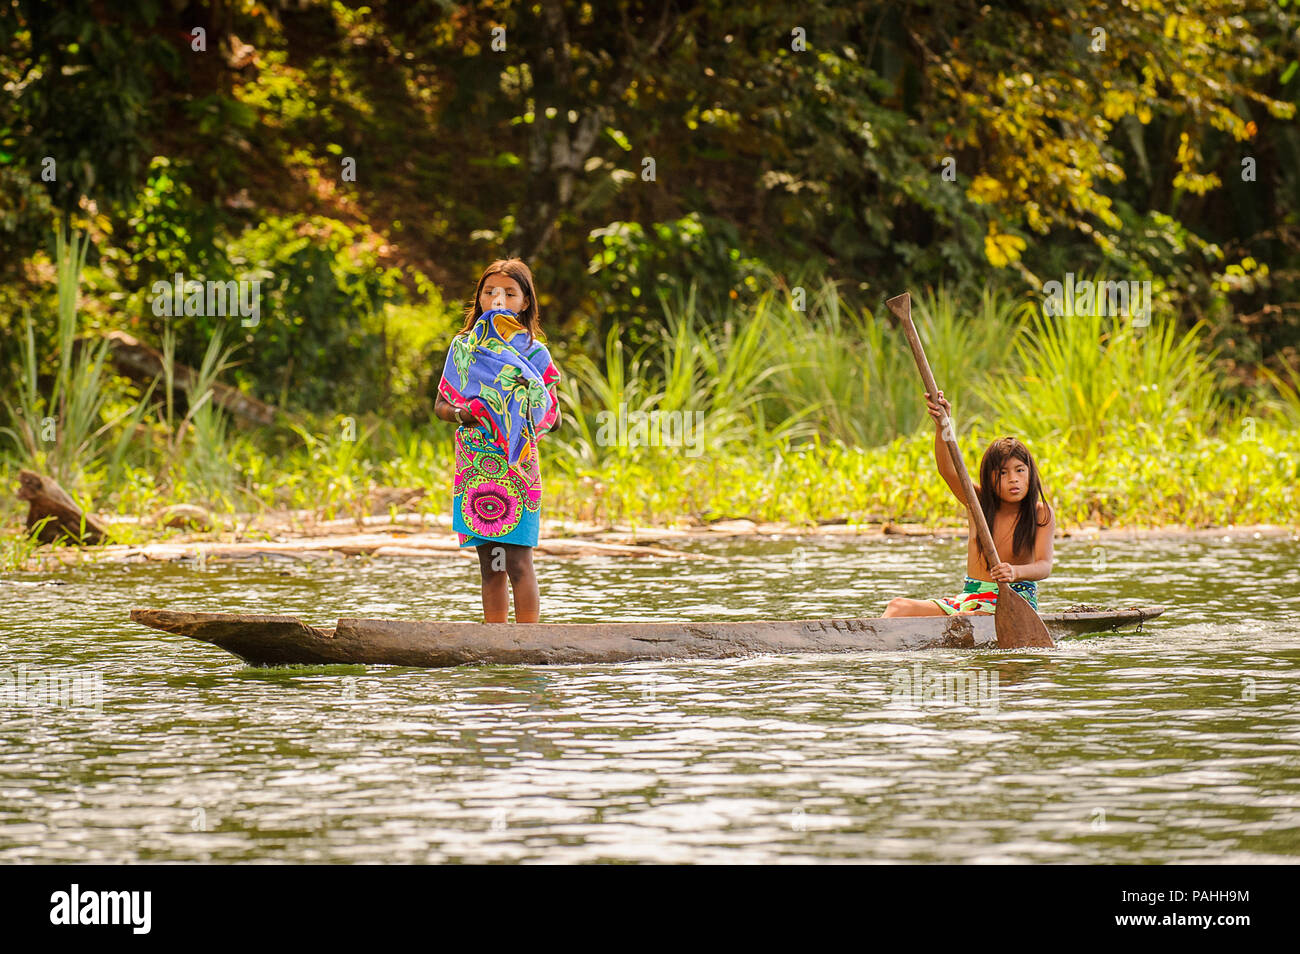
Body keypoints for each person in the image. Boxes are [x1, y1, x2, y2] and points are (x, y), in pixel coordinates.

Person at [433, 259, 561, 623]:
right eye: (490, 292)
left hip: (517, 464)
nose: (498, 299)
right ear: (480, 299)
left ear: (524, 303)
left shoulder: (535, 353)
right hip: (476, 463)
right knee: (490, 564)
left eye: (509, 293)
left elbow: (554, 417)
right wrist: (469, 413)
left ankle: (528, 644)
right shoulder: (463, 349)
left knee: (518, 560)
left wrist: (521, 399)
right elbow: (442, 405)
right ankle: (497, 645)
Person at [883, 389, 1054, 617]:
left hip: (1014, 599)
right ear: (989, 479)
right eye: (1003, 473)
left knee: (964, 619)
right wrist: (943, 425)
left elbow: (1044, 565)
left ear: (1030, 474)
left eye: (1020, 470)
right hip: (971, 598)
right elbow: (948, 470)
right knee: (898, 607)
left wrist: (1014, 571)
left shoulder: (1040, 512)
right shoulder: (978, 503)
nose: (1014, 479)